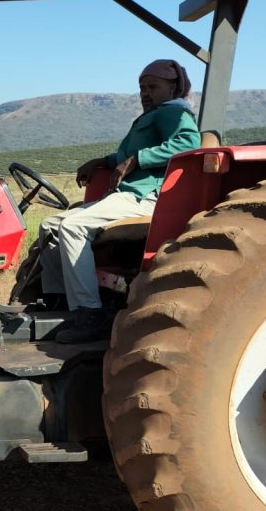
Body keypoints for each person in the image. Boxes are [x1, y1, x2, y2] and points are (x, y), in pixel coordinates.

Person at [38, 59, 200, 342]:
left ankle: (90, 313)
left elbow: (188, 143)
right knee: (50, 225)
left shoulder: (174, 112)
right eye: (142, 88)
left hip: (144, 195)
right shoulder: (153, 115)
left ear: (174, 87)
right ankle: (60, 304)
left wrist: (138, 159)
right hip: (125, 194)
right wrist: (102, 161)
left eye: (153, 87)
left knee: (73, 227)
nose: (145, 93)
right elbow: (129, 153)